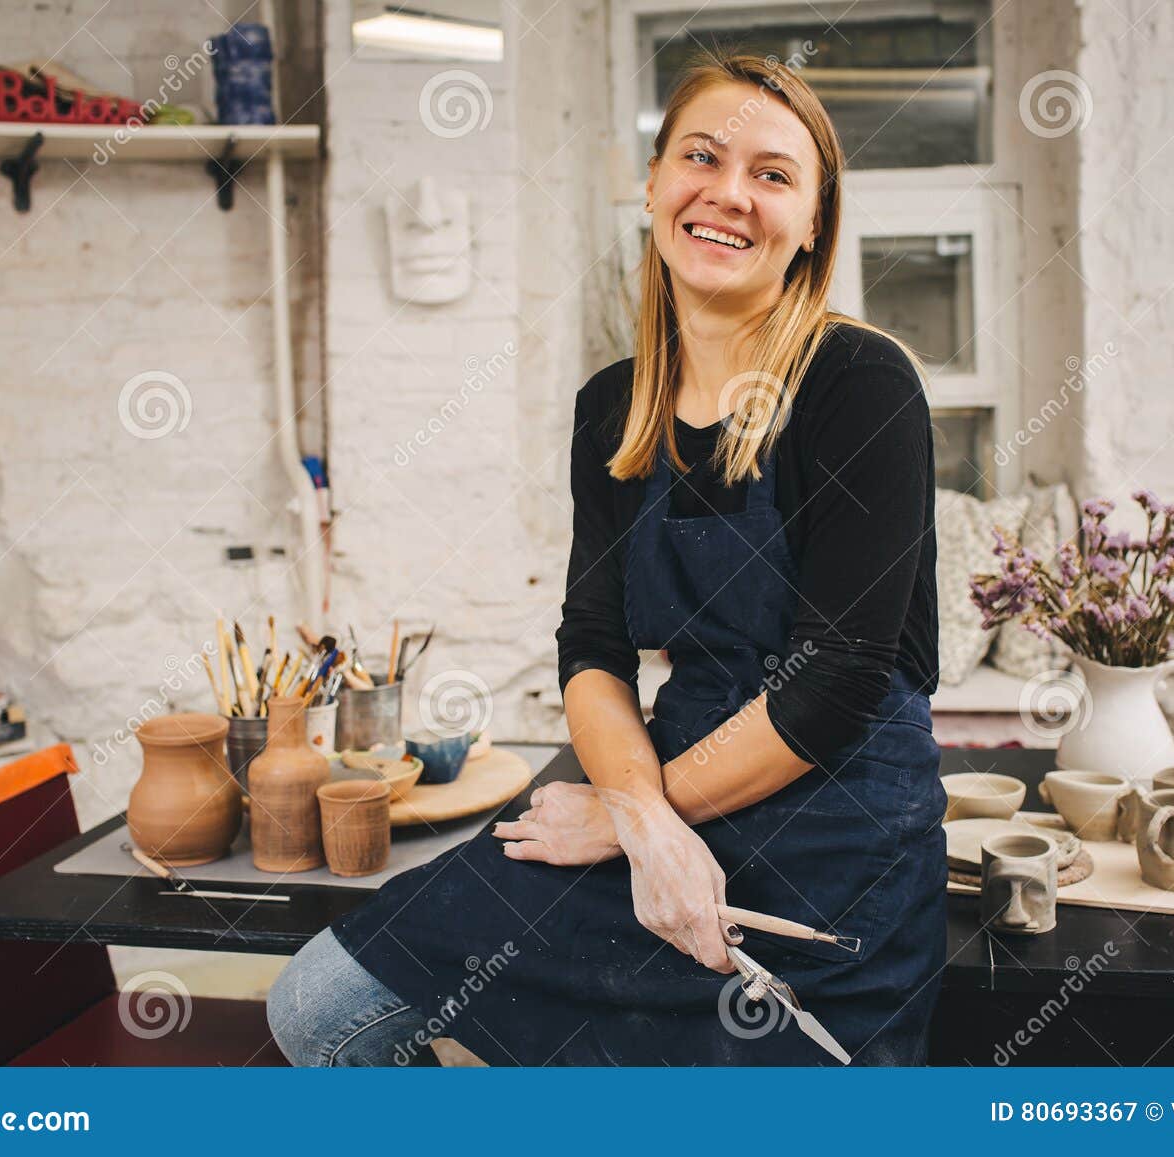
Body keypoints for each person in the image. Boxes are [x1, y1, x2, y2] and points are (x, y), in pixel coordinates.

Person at [267, 49, 944, 1067]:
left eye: (771, 174)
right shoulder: (611, 409)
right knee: (320, 1004)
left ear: (812, 223)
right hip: (668, 783)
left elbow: (837, 681)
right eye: (701, 157)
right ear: (654, 182)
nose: (728, 193)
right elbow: (591, 646)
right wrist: (642, 818)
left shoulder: (860, 381)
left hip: (836, 835)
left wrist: (633, 812)